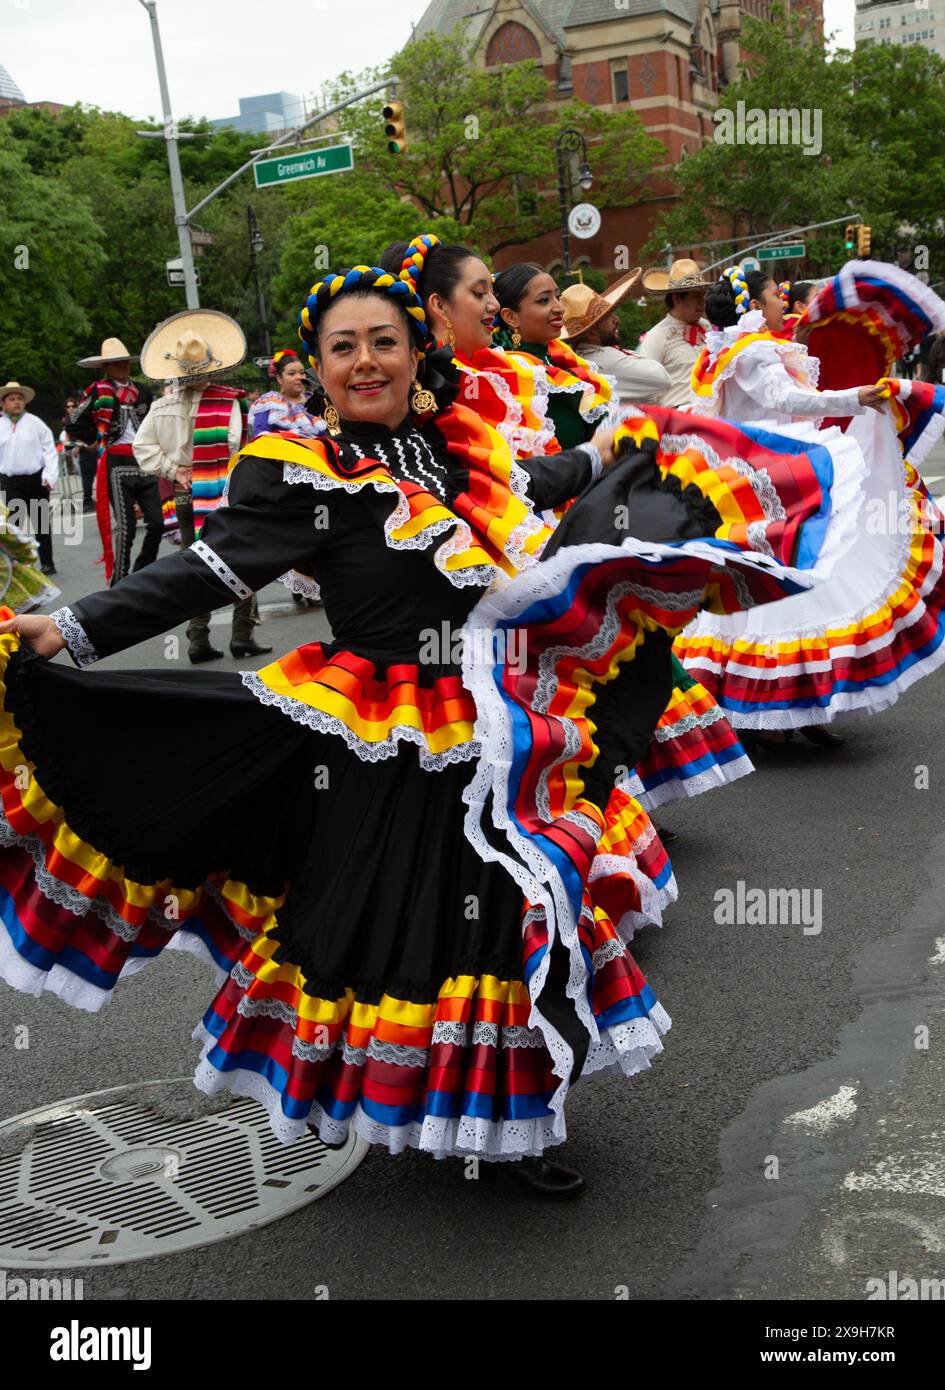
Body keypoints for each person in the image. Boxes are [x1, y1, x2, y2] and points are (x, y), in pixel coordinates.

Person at [0, 264, 852, 1196]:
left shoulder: (458, 446)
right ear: (316, 368)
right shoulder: (298, 472)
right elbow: (207, 569)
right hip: (382, 730)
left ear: (416, 353)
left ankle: (513, 1123)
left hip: (498, 716)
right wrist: (73, 628)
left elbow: (533, 482)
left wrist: (604, 453)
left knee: (513, 917)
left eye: (383, 342)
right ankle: (392, 1103)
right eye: (342, 347)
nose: (365, 362)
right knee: (385, 930)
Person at [677, 261, 945, 748]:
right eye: (775, 295)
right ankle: (774, 710)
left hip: (765, 482)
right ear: (755, 307)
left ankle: (793, 709)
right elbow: (791, 401)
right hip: (775, 486)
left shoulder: (731, 351)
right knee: (784, 593)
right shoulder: (755, 352)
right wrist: (857, 397)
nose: (783, 301)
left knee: (782, 590)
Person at [132, 309, 272, 665]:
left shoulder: (160, 406)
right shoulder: (229, 402)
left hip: (184, 494)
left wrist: (174, 470)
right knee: (240, 559)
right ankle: (242, 636)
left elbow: (141, 449)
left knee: (198, 563)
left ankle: (197, 639)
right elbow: (234, 448)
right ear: (213, 364)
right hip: (224, 492)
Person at [69, 337, 157, 585]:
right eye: (116, 363)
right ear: (105, 367)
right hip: (116, 462)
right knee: (126, 527)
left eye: (125, 362)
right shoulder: (98, 390)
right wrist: (96, 438)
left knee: (158, 523)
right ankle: (120, 581)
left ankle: (142, 571)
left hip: (143, 459)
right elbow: (74, 421)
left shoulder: (143, 391)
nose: (122, 367)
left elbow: (155, 422)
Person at [559, 275, 671, 408]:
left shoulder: (576, 358)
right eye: (607, 317)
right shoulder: (607, 358)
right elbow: (663, 378)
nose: (616, 319)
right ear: (591, 333)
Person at [0, 381, 59, 575]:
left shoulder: (36, 423)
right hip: (10, 481)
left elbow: (50, 450)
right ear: (3, 403)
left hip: (36, 479)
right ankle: (17, 564)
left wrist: (49, 476)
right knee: (13, 526)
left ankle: (48, 562)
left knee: (41, 522)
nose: (16, 402)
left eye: (19, 399)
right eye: (12, 399)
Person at [637, 259, 712, 408]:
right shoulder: (657, 336)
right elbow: (645, 386)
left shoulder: (706, 326)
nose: (702, 302)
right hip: (678, 416)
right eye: (695, 296)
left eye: (703, 295)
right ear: (676, 298)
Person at [249, 349, 325, 439]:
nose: (299, 377)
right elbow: (261, 439)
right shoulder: (269, 403)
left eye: (301, 373)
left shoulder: (317, 400)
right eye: (291, 374)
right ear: (279, 378)